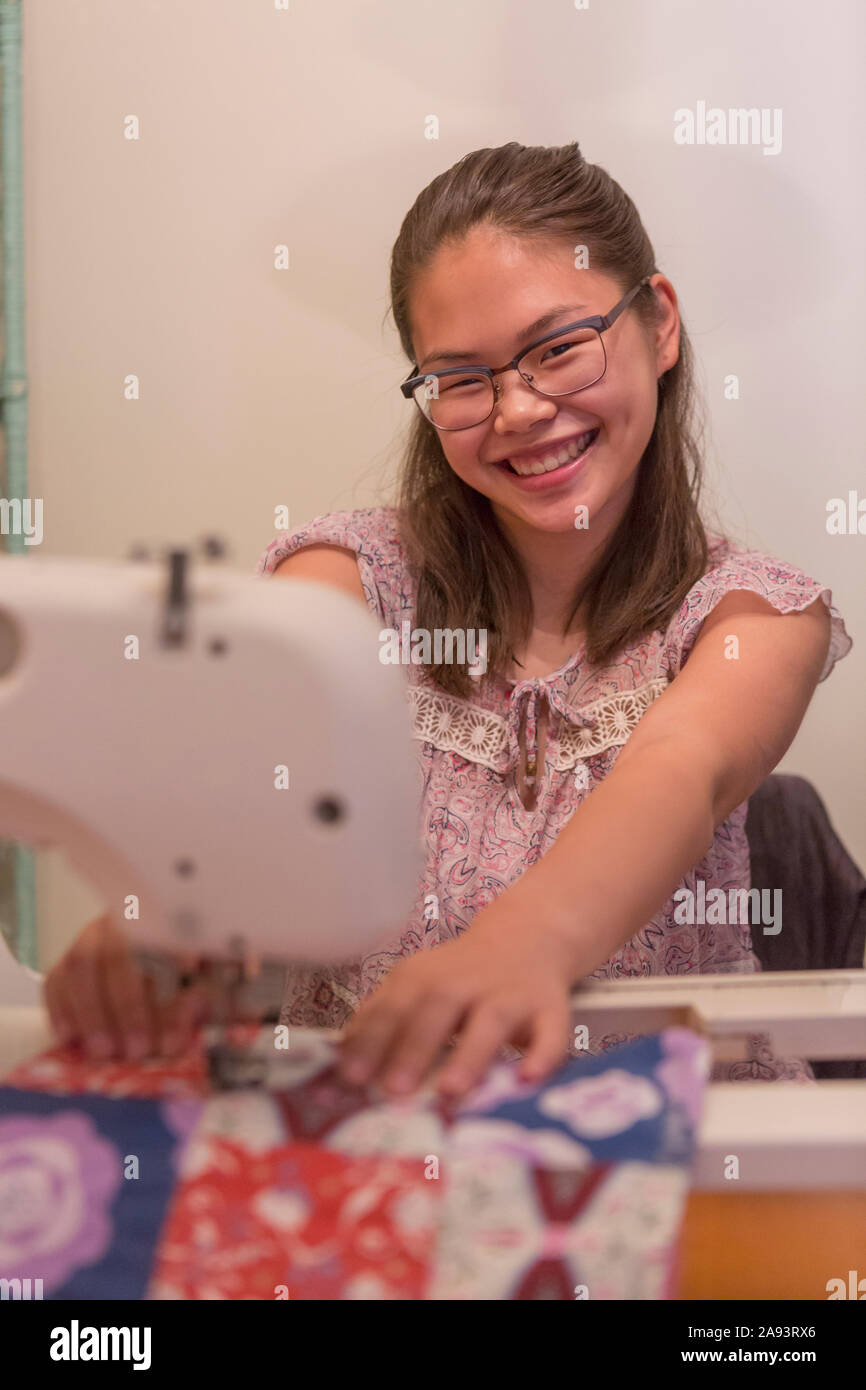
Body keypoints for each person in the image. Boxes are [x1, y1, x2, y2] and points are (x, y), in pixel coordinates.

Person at [45, 141, 852, 1100]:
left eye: (559, 347)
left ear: (660, 324)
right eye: (462, 379)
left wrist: (527, 945)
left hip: (698, 1171)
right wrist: (168, 914)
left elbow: (681, 771)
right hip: (376, 1177)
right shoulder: (343, 578)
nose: (518, 409)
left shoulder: (757, 612)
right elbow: (258, 774)